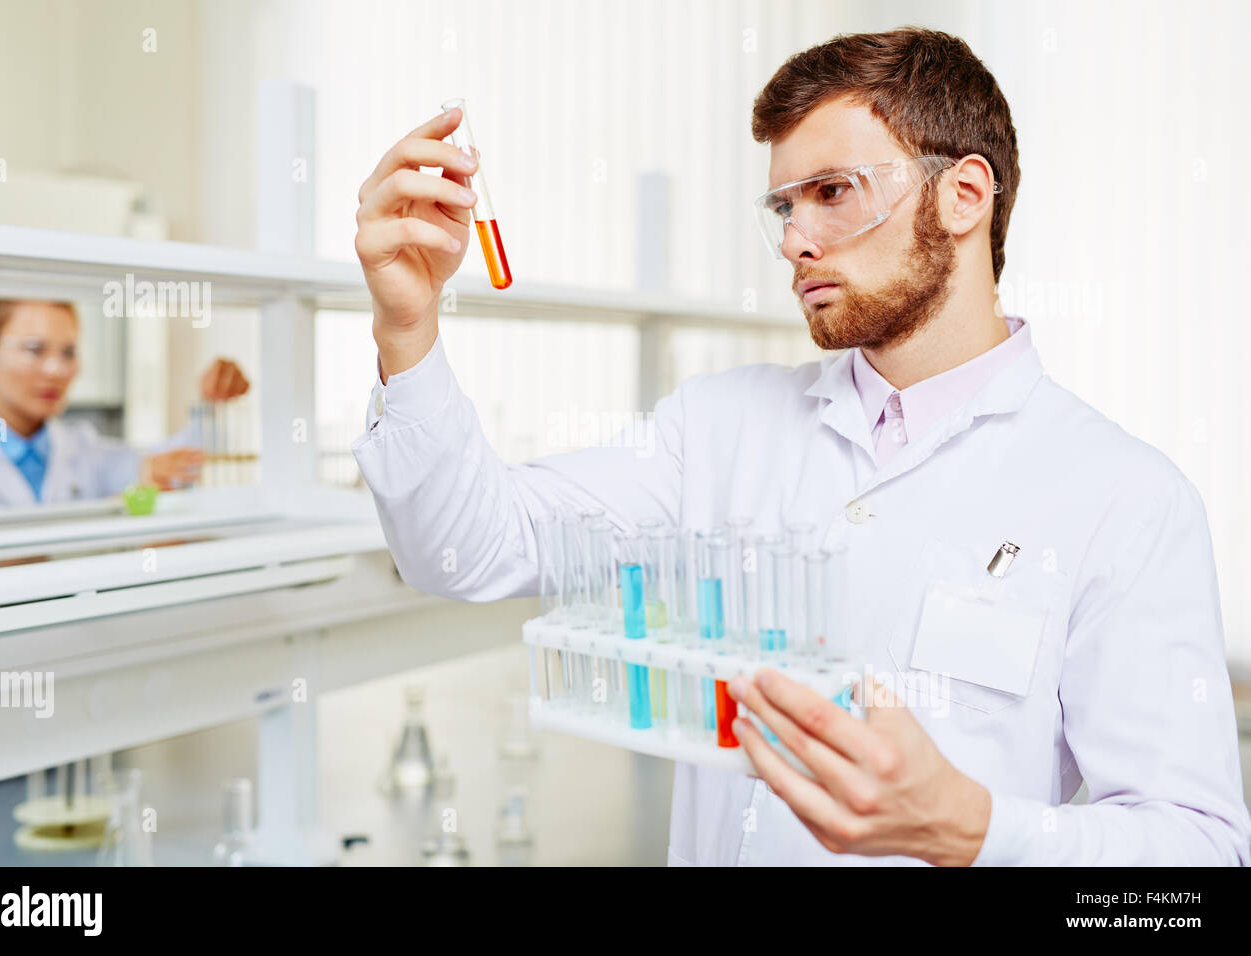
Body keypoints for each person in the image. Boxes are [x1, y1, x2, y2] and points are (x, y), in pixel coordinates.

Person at [349, 28, 1251, 865]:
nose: (794, 240)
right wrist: (407, 324)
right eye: (783, 204)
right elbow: (461, 549)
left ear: (964, 194)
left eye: (833, 193)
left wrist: (973, 828)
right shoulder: (716, 430)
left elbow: (1194, 861)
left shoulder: (1123, 498)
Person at [0, 298, 249, 515]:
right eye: (34, 349)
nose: (57, 370)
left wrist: (214, 403)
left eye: (68, 352)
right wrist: (121, 504)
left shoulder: (81, 447)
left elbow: (171, 462)